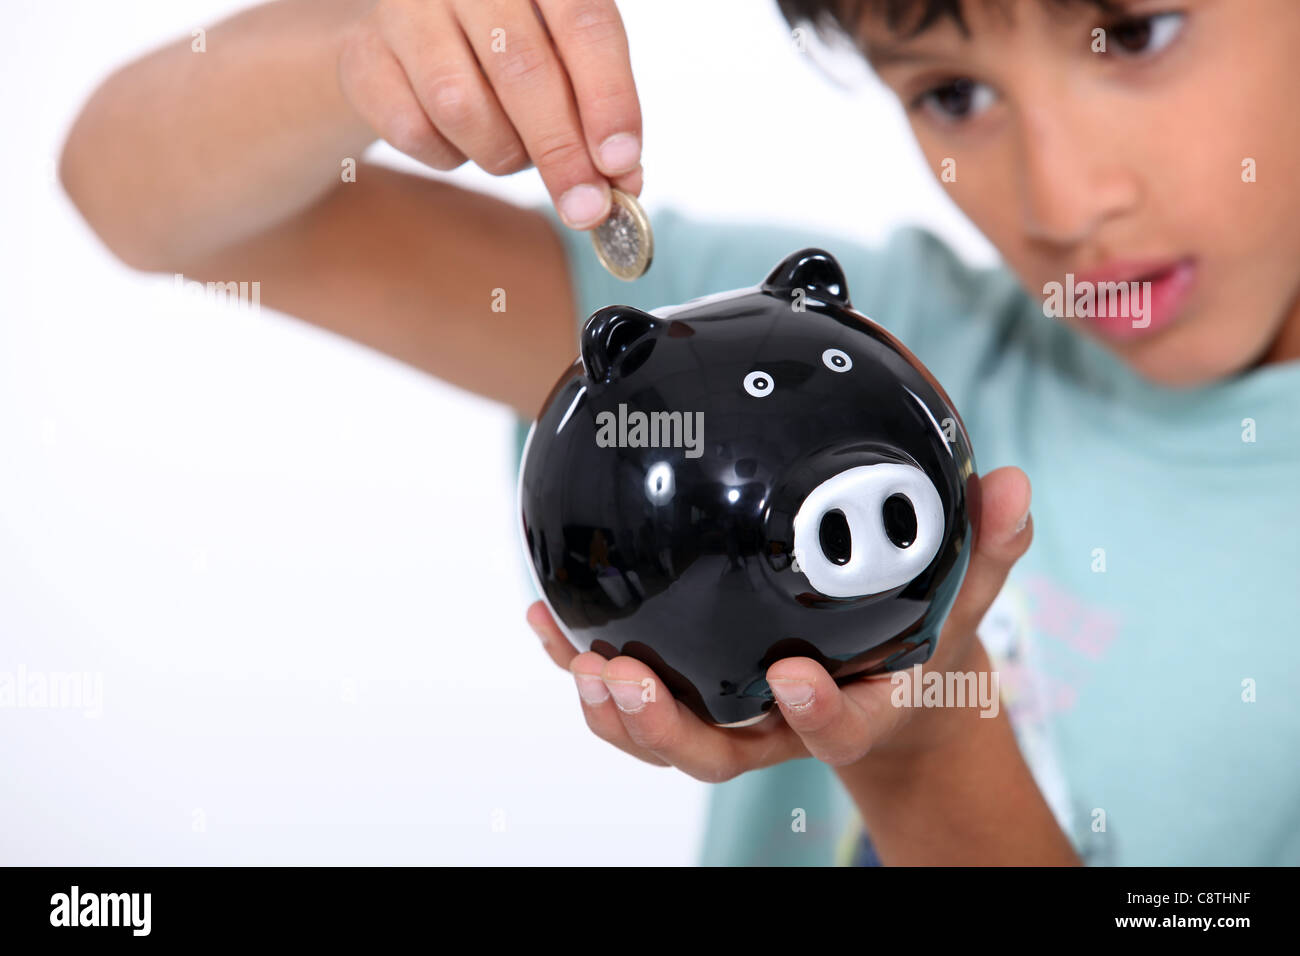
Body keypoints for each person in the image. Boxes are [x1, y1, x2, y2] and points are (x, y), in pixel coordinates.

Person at [60, 0, 1300, 866]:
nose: (1068, 197)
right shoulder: (830, 356)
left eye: (1135, 33)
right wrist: (362, 45)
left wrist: (918, 748)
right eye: (954, 92)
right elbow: (146, 210)